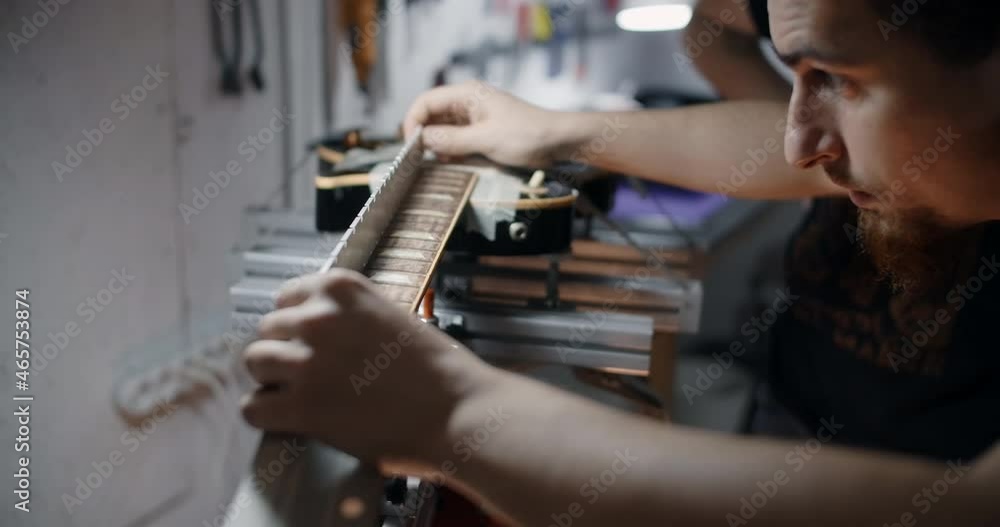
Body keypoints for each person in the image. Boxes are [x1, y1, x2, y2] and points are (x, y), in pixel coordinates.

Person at [240, 1, 1000, 524]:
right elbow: (798, 151)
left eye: (841, 79)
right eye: (797, 71)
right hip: (793, 414)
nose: (800, 141)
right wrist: (558, 132)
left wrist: (454, 414)